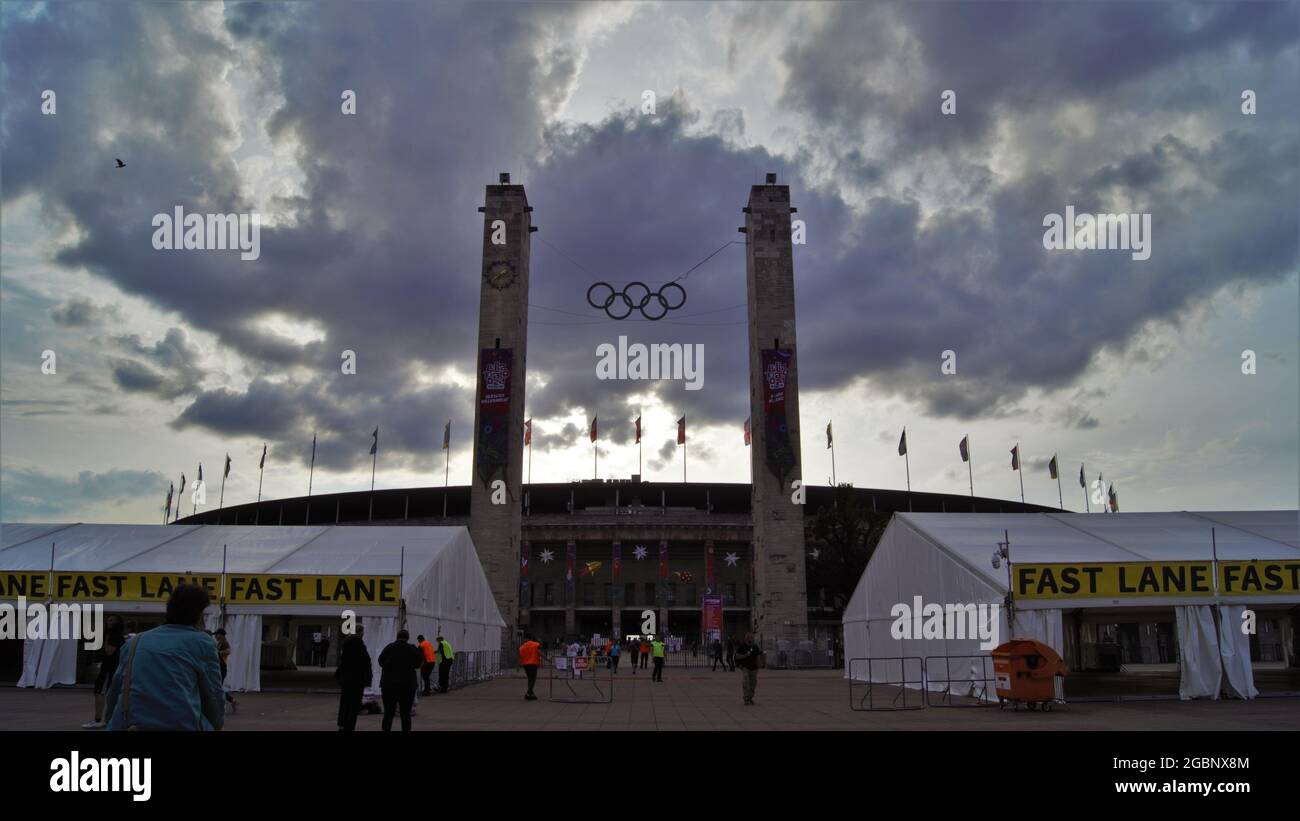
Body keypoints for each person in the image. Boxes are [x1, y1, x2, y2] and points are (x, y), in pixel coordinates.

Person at [103, 584, 225, 731]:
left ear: (169, 609)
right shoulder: (203, 643)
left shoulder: (134, 643)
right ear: (199, 615)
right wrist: (216, 724)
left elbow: (115, 692)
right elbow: (213, 696)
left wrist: (111, 722)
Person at [82, 615, 125, 729]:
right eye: (108, 620)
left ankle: (99, 720)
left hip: (109, 669)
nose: (108, 622)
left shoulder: (114, 637)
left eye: (112, 620)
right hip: (108, 668)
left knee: (100, 692)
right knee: (104, 693)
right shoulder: (113, 635)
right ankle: (105, 719)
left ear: (117, 623)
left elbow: (109, 652)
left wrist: (105, 640)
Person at [378, 629, 422, 731]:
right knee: (406, 713)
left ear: (397, 637)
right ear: (407, 638)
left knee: (388, 713)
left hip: (388, 684)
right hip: (407, 685)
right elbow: (418, 663)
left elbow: (380, 661)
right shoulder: (412, 648)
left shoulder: (389, 647)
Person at [734, 632, 764, 705]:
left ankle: (750, 697)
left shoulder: (755, 646)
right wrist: (745, 655)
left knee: (753, 683)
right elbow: (737, 656)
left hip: (754, 668)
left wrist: (760, 664)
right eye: (749, 638)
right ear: (746, 638)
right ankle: (746, 697)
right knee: (746, 681)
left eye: (752, 638)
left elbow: (758, 655)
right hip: (745, 667)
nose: (751, 639)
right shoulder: (742, 646)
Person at [212, 628, 238, 714]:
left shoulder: (224, 642)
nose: (215, 636)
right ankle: (231, 700)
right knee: (218, 687)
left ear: (221, 635)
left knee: (217, 687)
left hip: (222, 668)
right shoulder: (219, 643)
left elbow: (228, 651)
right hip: (219, 667)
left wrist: (218, 652)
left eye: (217, 634)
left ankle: (225, 703)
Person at [519, 632, 543, 700]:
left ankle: (530, 694)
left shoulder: (522, 647)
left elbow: (519, 657)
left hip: (525, 665)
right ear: (531, 638)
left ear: (525, 638)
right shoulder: (535, 644)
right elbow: (540, 653)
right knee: (532, 679)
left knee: (530, 679)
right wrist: (548, 660)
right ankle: (529, 693)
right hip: (533, 664)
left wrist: (518, 666)